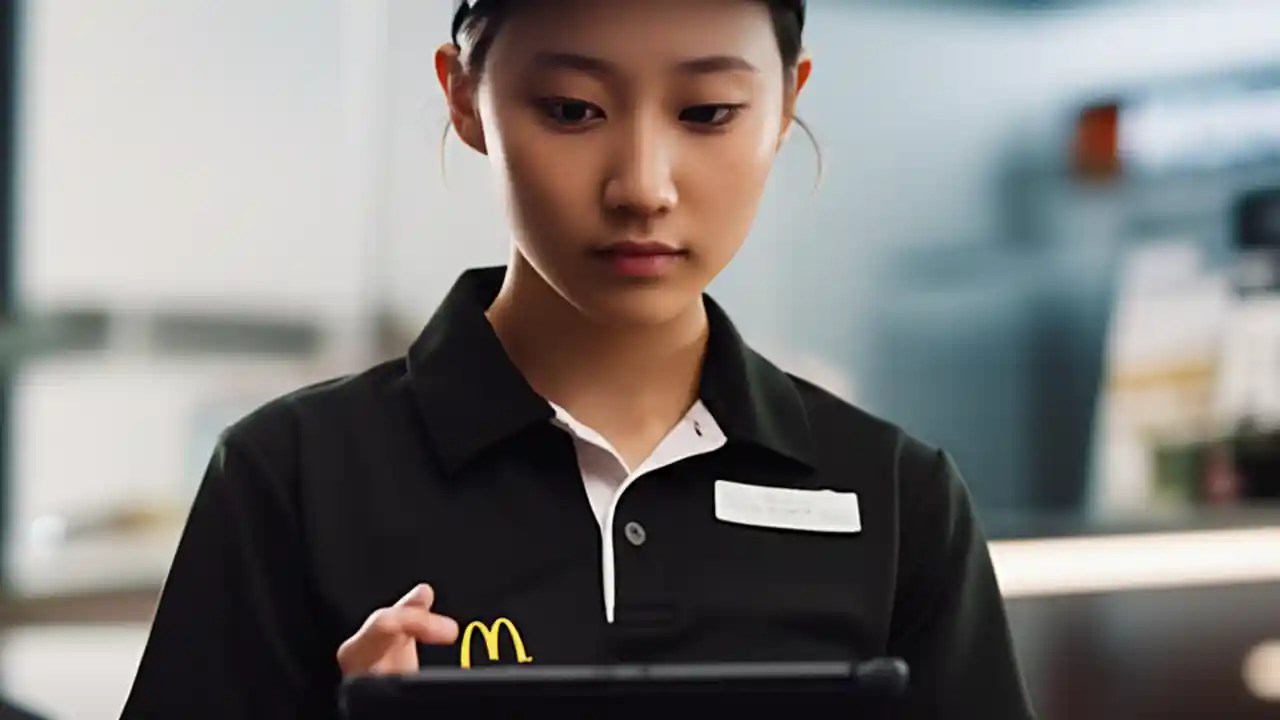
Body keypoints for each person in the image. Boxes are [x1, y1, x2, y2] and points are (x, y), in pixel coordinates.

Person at [122, 0, 1034, 717]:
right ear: (462, 96)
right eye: (571, 110)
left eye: (708, 112)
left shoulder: (898, 499)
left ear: (788, 103)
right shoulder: (292, 478)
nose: (643, 185)